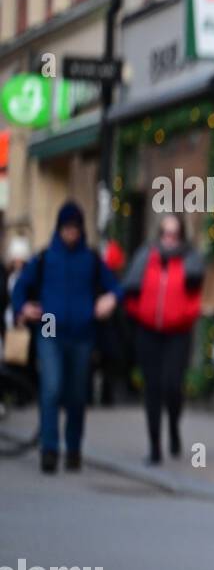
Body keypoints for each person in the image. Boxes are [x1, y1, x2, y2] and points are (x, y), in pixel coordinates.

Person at [10, 201, 122, 473]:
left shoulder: (91, 259)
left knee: (76, 395)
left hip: (82, 332)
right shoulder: (45, 257)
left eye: (74, 228)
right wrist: (22, 308)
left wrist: (110, 300)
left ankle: (73, 448)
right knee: (51, 388)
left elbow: (115, 287)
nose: (70, 233)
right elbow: (20, 288)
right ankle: (49, 449)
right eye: (66, 228)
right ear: (59, 229)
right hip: (49, 325)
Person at [122, 213, 205, 464]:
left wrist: (185, 315)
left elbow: (196, 296)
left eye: (174, 234)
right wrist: (141, 314)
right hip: (149, 332)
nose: (169, 239)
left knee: (172, 385)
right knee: (152, 389)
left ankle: (174, 428)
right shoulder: (146, 258)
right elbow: (131, 292)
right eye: (165, 234)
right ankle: (155, 446)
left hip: (177, 333)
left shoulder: (190, 261)